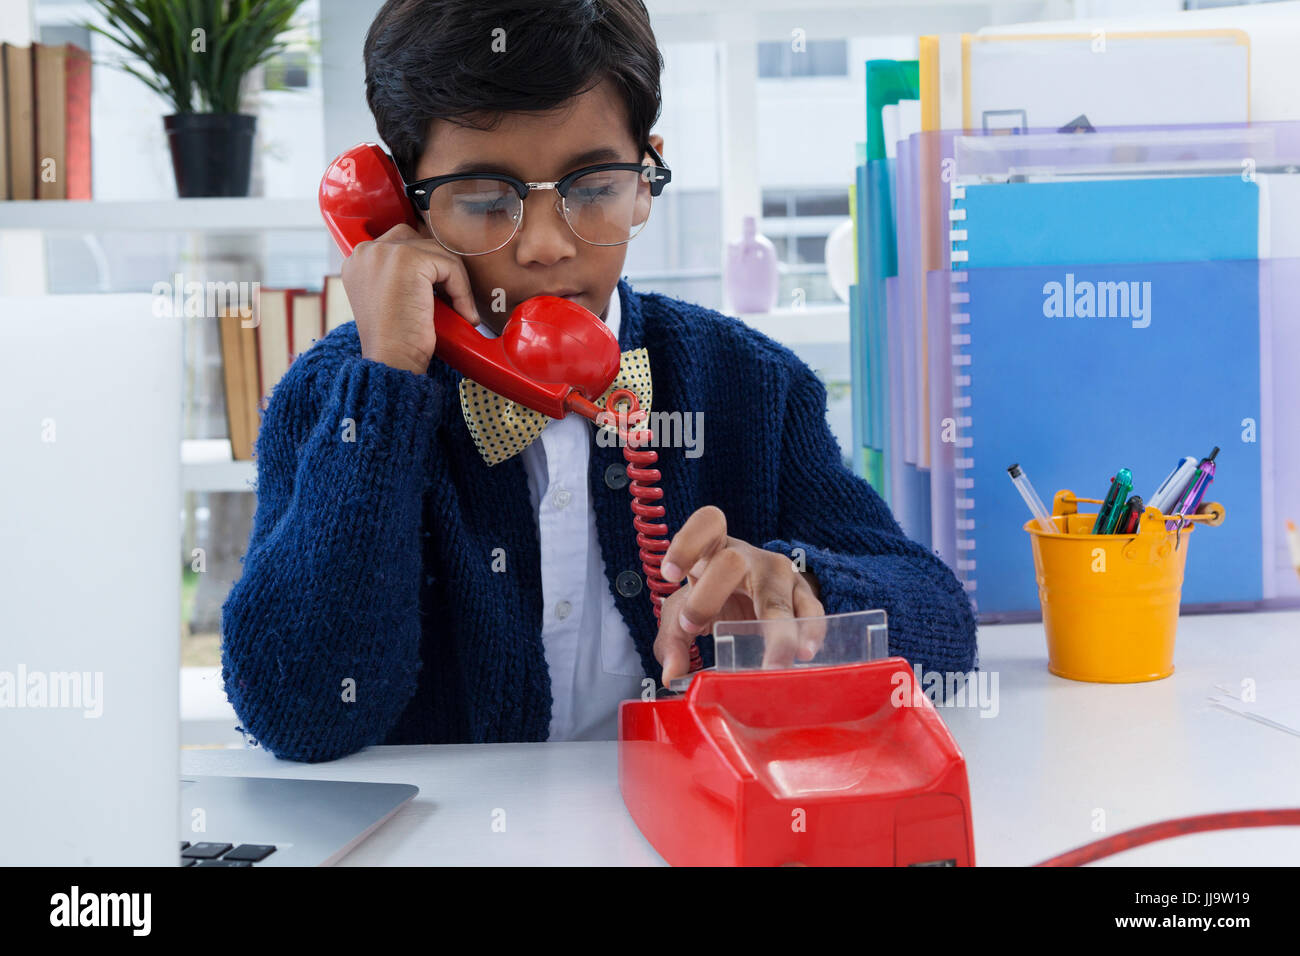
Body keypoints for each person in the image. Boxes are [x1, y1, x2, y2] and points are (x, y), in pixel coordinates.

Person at [221, 0, 977, 762]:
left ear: (646, 179)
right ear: (399, 211)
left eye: (593, 187)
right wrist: (387, 390)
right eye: (486, 200)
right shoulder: (338, 398)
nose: (546, 247)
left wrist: (802, 585)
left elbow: (944, 627)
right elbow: (299, 713)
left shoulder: (751, 382)